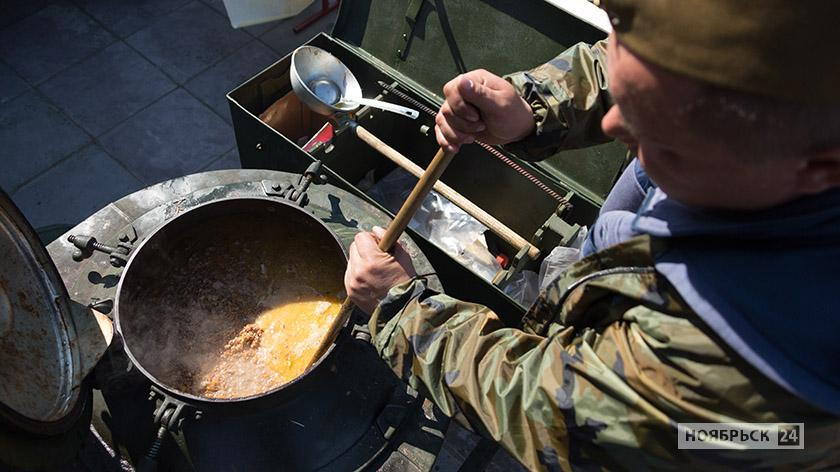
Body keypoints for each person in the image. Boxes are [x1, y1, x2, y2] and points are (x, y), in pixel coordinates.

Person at [344, 1, 840, 469]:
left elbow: (560, 420)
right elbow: (672, 56)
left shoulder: (753, 385)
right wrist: (533, 107)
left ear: (818, 169)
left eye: (665, 139)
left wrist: (404, 311)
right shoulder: (780, 76)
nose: (613, 124)